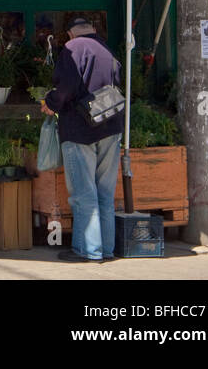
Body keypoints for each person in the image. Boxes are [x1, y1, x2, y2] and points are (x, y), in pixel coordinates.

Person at [41, 17, 124, 263]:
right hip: (111, 126)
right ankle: (105, 249)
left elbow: (65, 87)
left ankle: (88, 250)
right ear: (94, 29)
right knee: (105, 194)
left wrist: (50, 102)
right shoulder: (108, 50)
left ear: (70, 34)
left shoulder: (73, 49)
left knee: (83, 193)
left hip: (79, 129)